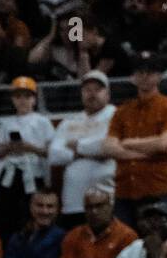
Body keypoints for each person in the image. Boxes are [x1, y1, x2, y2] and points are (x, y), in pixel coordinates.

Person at [96, 54, 167, 228]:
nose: (145, 76)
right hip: (125, 190)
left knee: (159, 241)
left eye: (150, 72)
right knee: (124, 244)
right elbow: (108, 147)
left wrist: (127, 143)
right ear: (133, 77)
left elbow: (163, 143)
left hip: (158, 189)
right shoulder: (122, 111)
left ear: (159, 76)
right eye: (140, 72)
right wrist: (147, 150)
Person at [0, 76, 54, 238]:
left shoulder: (42, 121)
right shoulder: (6, 123)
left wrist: (30, 148)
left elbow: (50, 152)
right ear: (13, 100)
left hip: (33, 172)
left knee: (30, 212)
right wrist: (10, 147)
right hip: (11, 173)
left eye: (27, 96)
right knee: (7, 213)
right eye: (18, 97)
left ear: (34, 99)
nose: (22, 101)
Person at [46, 72, 117, 227]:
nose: (92, 94)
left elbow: (106, 147)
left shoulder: (116, 116)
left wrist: (76, 146)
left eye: (97, 90)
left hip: (106, 199)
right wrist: (90, 150)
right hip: (73, 202)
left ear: (108, 94)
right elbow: (54, 155)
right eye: (87, 90)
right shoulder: (69, 121)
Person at [56, 186, 136, 258]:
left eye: (99, 206)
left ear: (111, 206)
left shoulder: (127, 236)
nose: (94, 211)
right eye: (89, 207)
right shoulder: (72, 236)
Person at [0, 189, 64, 258]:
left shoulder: (61, 236)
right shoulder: (19, 236)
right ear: (31, 207)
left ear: (57, 210)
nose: (45, 211)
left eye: (50, 206)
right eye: (40, 206)